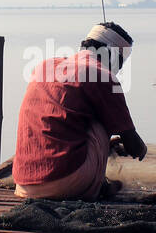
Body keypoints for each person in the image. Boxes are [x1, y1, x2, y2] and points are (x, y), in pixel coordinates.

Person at [13, 21, 147, 201]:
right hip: (65, 183)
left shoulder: (44, 66)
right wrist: (140, 148)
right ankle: (100, 185)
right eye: (120, 64)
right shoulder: (101, 75)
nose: (119, 70)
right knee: (103, 116)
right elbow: (135, 147)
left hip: (24, 183)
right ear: (113, 57)